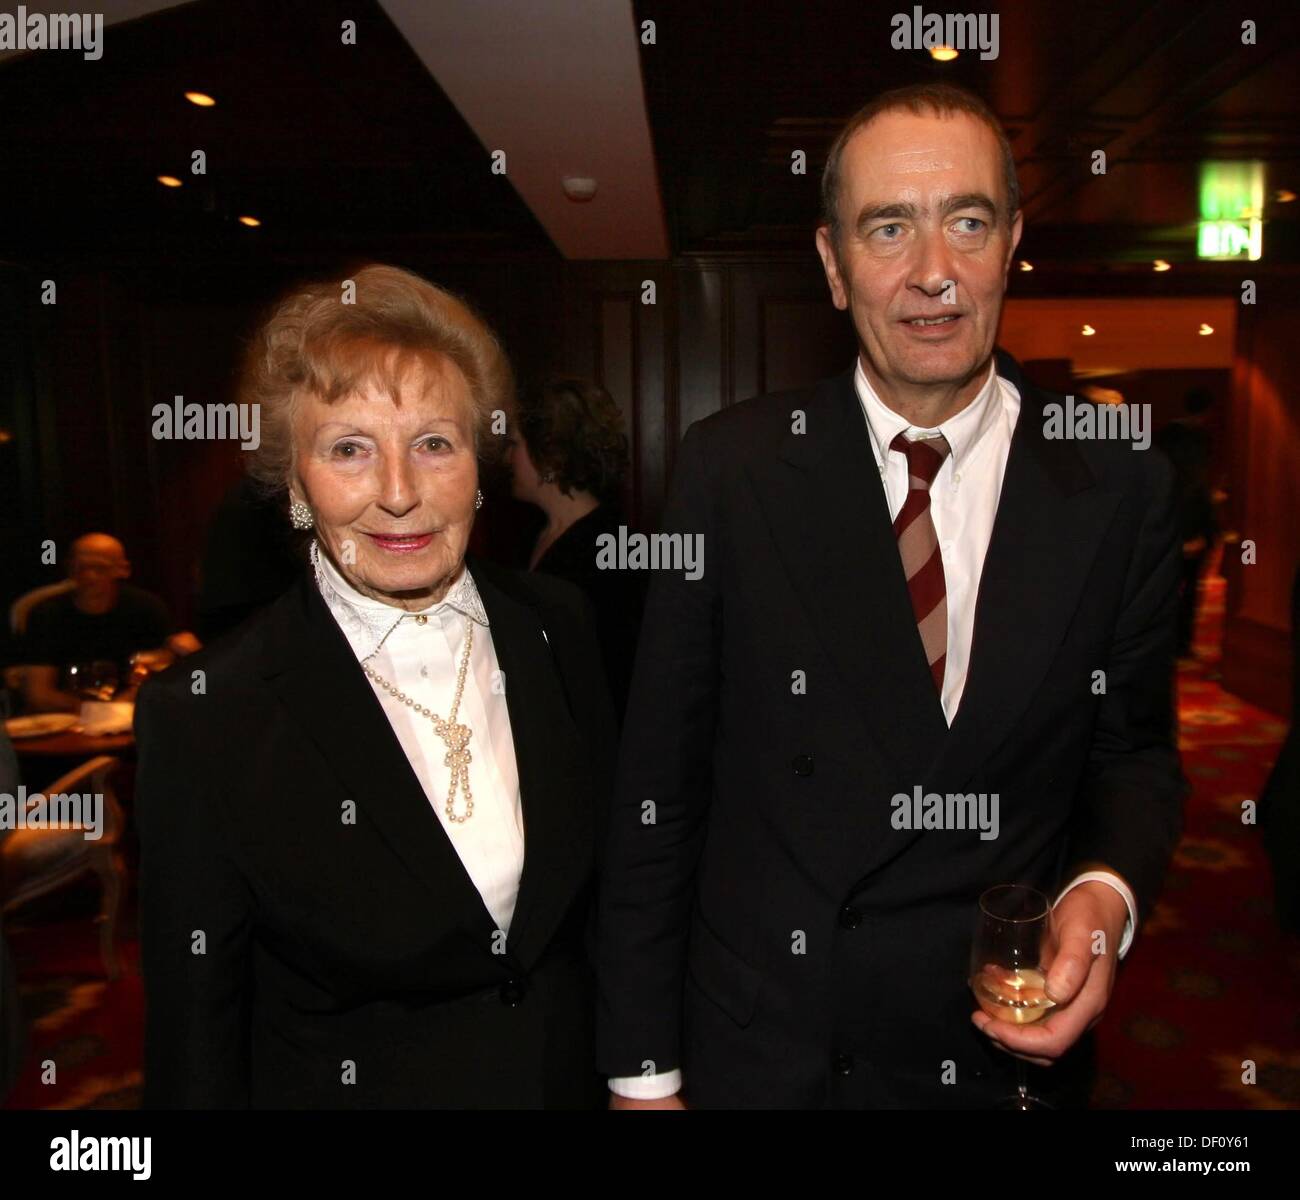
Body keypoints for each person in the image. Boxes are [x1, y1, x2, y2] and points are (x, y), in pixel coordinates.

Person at [596, 83, 1185, 1109]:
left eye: (966, 222)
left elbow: (1131, 753)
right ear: (832, 265)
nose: (931, 273)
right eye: (887, 228)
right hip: (773, 1047)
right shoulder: (730, 473)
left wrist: (1102, 893)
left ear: (1010, 245)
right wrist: (644, 1074)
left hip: (1000, 1046)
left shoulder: (1116, 478)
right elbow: (658, 785)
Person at [135, 264, 616, 1108]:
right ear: (294, 483)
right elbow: (195, 1026)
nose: (400, 493)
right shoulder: (209, 712)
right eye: (349, 449)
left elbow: (611, 903)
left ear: (479, 465)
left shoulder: (559, 624)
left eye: (434, 442)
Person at [506, 376, 645, 718]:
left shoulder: (612, 554)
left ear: (549, 455)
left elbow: (613, 684)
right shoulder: (527, 534)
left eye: (515, 445)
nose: (508, 458)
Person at [20, 534, 178, 713]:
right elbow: (37, 693)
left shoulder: (146, 609)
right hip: (67, 719)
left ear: (123, 570)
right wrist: (93, 711)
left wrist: (118, 706)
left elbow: (162, 675)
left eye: (99, 568)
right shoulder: (47, 614)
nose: (88, 576)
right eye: (79, 567)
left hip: (133, 715)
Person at [1153, 387, 1217, 657]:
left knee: (1163, 589)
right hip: (1185, 523)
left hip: (1164, 524)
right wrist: (1200, 531)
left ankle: (1168, 642)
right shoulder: (1194, 442)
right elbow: (1195, 487)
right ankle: (1181, 644)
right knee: (1187, 588)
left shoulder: (1163, 436)